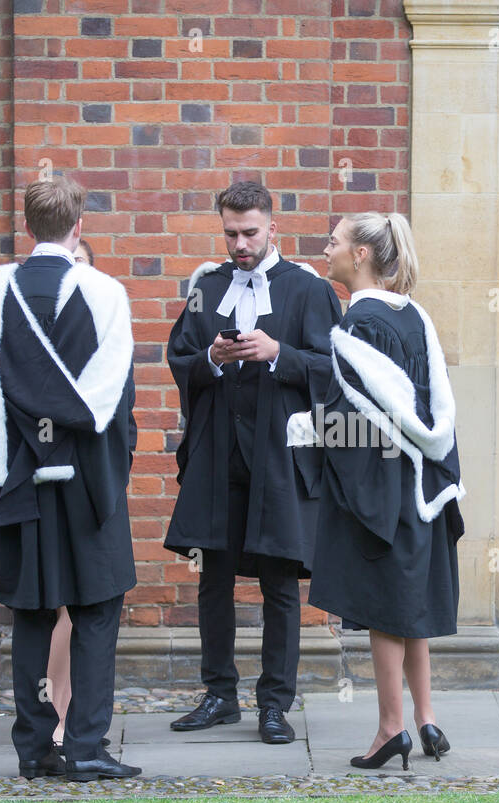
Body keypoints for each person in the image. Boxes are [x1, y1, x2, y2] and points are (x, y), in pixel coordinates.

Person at [0, 176, 140, 781]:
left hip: (18, 482)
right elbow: (116, 404)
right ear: (78, 226)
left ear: (28, 225)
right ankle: (85, 745)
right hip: (86, 484)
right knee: (97, 611)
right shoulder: (105, 294)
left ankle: (35, 748)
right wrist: (115, 468)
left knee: (32, 613)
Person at [164, 180, 341, 744]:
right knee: (212, 578)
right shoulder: (206, 287)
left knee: (279, 583)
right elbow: (179, 357)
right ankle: (219, 695)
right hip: (217, 452)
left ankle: (274, 704)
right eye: (231, 233)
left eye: (250, 232)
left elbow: (335, 371)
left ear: (272, 228)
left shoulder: (308, 290)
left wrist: (278, 353)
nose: (240, 244)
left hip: (279, 458)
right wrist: (211, 358)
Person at [289, 211, 465, 770]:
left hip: (383, 490)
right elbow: (428, 409)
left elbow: (355, 423)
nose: (326, 250)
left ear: (360, 254)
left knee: (386, 607)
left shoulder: (359, 324)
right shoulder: (414, 316)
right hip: (422, 484)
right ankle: (427, 717)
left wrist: (307, 428)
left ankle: (391, 727)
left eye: (334, 242)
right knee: (410, 601)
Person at [45, 235, 108, 757]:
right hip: (46, 478)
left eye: (83, 264)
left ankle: (75, 719)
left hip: (92, 481)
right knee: (61, 607)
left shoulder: (103, 322)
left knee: (84, 607)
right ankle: (60, 715)